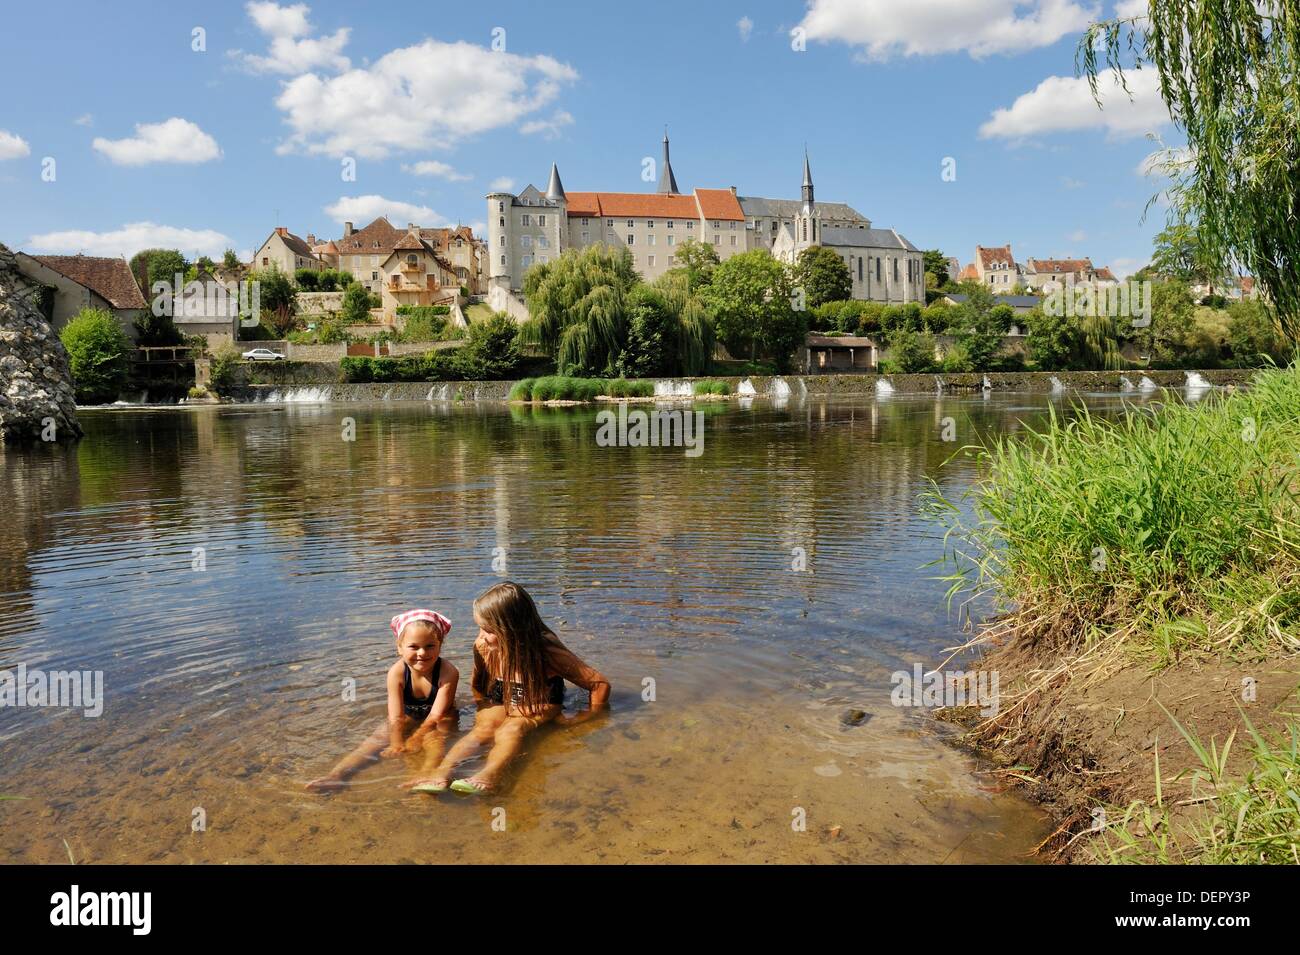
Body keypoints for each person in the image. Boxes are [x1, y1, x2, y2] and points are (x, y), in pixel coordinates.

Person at [410, 582, 609, 795]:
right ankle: (441, 772)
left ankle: (490, 774)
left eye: (487, 629)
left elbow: (599, 684)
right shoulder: (484, 645)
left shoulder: (547, 652)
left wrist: (586, 716)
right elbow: (479, 681)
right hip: (502, 690)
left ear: (511, 629)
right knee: (483, 729)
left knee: (511, 728)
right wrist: (482, 706)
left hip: (540, 695)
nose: (481, 635)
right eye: (480, 628)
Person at [307, 609, 458, 792]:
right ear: (399, 647)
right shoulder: (397, 672)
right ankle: (336, 775)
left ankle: (426, 773)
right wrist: (396, 742)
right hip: (409, 713)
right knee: (377, 738)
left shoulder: (448, 672)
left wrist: (416, 737)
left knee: (434, 739)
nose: (422, 653)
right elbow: (395, 716)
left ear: (440, 645)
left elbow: (436, 715)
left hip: (440, 716)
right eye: (413, 646)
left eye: (430, 646)